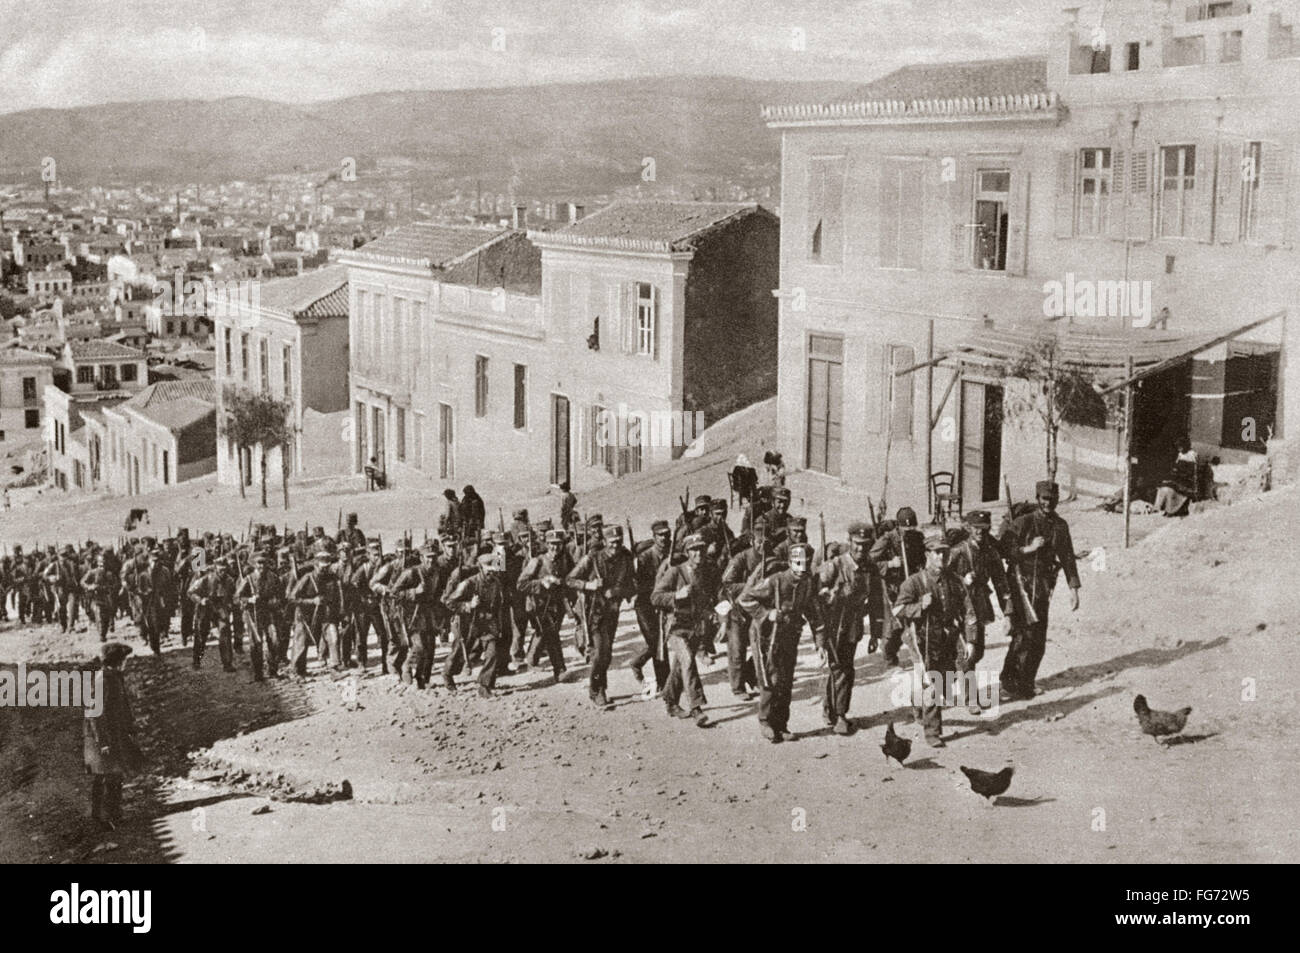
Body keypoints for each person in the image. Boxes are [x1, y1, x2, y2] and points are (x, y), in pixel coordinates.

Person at [998, 480, 1081, 702]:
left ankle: (1024, 681)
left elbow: (1067, 557)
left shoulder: (1060, 526)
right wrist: (1029, 548)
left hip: (1043, 588)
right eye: (1044, 499)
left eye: (1052, 499)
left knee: (1038, 639)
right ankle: (1010, 681)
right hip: (1020, 585)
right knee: (1023, 635)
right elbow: (1005, 551)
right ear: (1037, 498)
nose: (1048, 503)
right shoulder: (1023, 522)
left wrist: (1073, 588)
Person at [738, 541, 825, 744]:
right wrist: (766, 614)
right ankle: (765, 721)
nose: (801, 567)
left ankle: (781, 724)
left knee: (786, 680)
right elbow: (745, 599)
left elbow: (814, 615)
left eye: (805, 562)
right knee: (770, 679)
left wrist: (820, 644)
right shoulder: (776, 581)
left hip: (789, 636)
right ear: (789, 562)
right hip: (765, 636)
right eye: (797, 562)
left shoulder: (807, 584)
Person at [893, 527, 967, 748]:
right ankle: (933, 732)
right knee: (932, 684)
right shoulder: (915, 582)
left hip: (945, 637)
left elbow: (963, 604)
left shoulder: (952, 579)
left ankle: (918, 705)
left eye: (944, 552)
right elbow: (897, 610)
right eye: (936, 552)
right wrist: (918, 607)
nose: (941, 556)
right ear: (927, 555)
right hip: (922, 639)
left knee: (946, 680)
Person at [815, 522, 881, 735]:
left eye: (865, 544)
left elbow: (876, 601)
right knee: (839, 670)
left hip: (852, 625)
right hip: (833, 623)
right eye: (857, 544)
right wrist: (828, 594)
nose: (861, 549)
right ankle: (839, 715)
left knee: (844, 669)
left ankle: (831, 712)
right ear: (849, 542)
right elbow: (815, 590)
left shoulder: (870, 568)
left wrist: (875, 633)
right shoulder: (835, 565)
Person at [946, 510, 1011, 715]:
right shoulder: (957, 552)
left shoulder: (991, 552)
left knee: (978, 651)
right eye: (977, 529)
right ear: (968, 528)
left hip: (980, 606)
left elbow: (1001, 583)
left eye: (985, 529)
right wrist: (961, 580)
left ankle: (945, 680)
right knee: (968, 652)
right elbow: (941, 576)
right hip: (959, 609)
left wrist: (1008, 613)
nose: (981, 532)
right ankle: (970, 698)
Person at [566, 524, 636, 709]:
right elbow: (569, 580)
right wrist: (588, 586)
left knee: (607, 653)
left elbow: (633, 584)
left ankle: (600, 688)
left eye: (619, 542)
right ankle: (596, 690)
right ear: (604, 542)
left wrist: (618, 590)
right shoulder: (592, 558)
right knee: (600, 652)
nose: (616, 546)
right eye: (612, 542)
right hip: (593, 612)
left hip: (612, 611)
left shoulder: (626, 558)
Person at [651, 532, 714, 726]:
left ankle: (670, 699)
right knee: (687, 661)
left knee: (680, 667)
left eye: (701, 549)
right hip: (676, 626)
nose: (698, 554)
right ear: (687, 552)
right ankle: (696, 708)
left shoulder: (707, 571)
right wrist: (676, 595)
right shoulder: (676, 572)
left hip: (695, 627)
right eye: (694, 550)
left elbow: (715, 593)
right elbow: (655, 597)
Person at [84, 641, 142, 830]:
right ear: (117, 661)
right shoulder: (103, 679)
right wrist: (103, 742)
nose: (125, 663)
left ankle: (113, 815)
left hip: (113, 735)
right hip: (101, 738)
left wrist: (129, 728)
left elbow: (121, 707)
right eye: (124, 660)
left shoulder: (113, 676)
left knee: (114, 775)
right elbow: (95, 713)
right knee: (105, 776)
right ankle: (102, 818)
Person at [516, 529, 573, 684]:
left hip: (558, 604)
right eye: (552, 545)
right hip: (540, 605)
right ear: (547, 545)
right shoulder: (537, 561)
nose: (555, 548)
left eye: (558, 544)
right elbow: (521, 584)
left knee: (547, 633)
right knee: (552, 636)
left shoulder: (565, 559)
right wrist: (542, 582)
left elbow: (572, 578)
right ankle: (560, 670)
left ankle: (531, 659)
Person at [629, 519, 673, 692]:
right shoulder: (645, 558)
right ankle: (664, 682)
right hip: (645, 606)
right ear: (654, 537)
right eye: (660, 535)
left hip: (664, 604)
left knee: (661, 641)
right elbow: (638, 585)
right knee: (657, 642)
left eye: (667, 534)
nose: (664, 538)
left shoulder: (672, 554)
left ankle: (639, 663)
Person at [1154, 436, 1198, 517]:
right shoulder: (1180, 454)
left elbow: (1190, 472)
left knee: (1170, 487)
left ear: (1185, 446)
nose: (1179, 449)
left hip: (1187, 481)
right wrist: (1174, 471)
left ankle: (1172, 510)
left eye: (1180, 447)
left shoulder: (1191, 455)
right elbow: (1177, 466)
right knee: (1163, 485)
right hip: (1179, 478)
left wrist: (1178, 473)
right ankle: (1161, 507)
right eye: (1178, 447)